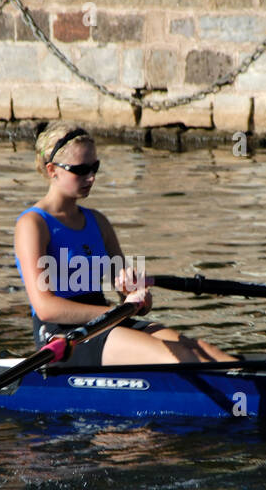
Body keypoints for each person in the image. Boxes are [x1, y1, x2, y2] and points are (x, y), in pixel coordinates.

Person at [14, 122, 238, 367]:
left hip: (105, 320)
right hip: (61, 337)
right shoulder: (33, 224)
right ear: (52, 170)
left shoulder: (98, 222)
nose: (91, 177)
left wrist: (139, 297)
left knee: (205, 351)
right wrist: (114, 311)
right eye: (81, 170)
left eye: (94, 167)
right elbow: (45, 308)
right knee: (179, 358)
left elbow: (129, 297)